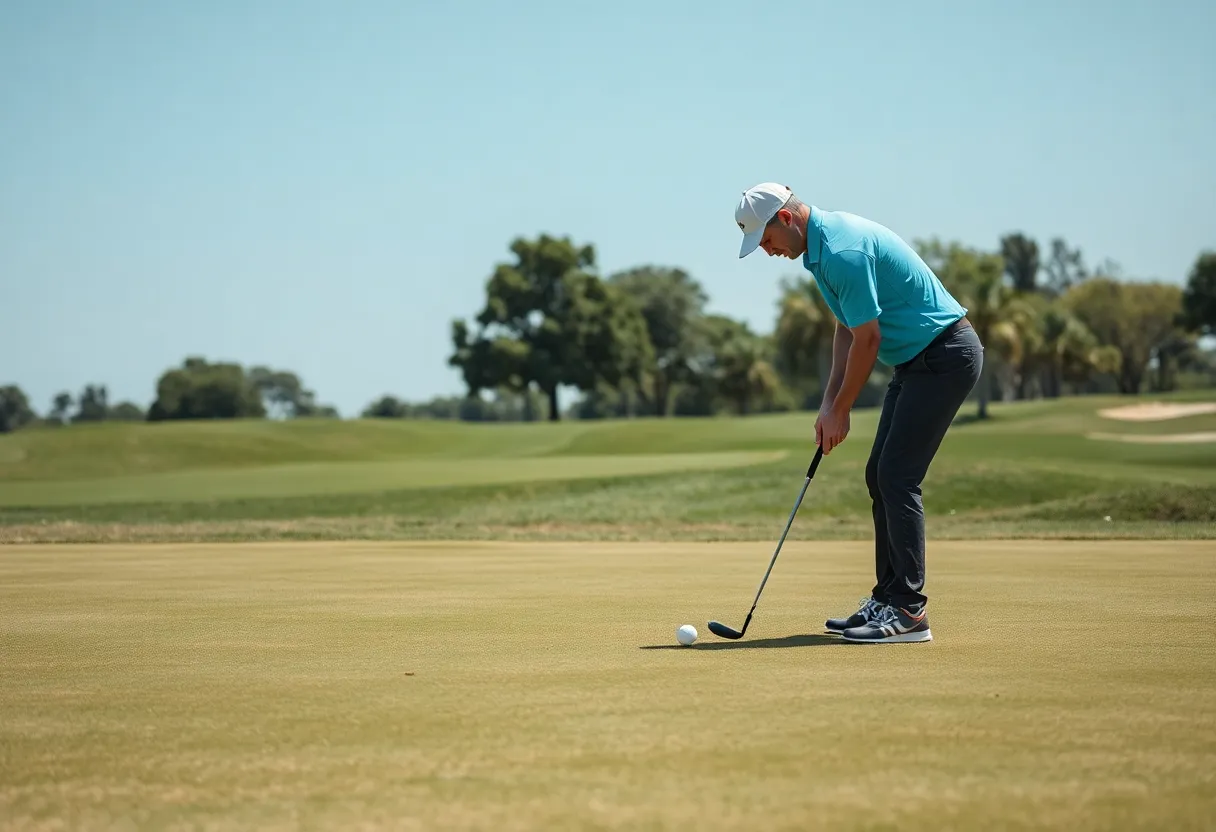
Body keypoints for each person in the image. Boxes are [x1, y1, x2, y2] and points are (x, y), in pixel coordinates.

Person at [735, 182, 983, 643]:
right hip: (916, 362)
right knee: (879, 475)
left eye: (766, 240)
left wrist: (843, 409)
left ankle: (909, 612)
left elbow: (869, 340)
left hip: (944, 355)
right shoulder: (819, 251)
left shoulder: (842, 251)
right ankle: (888, 598)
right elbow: (848, 330)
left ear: (786, 219)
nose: (767, 251)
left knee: (897, 477)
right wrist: (829, 403)